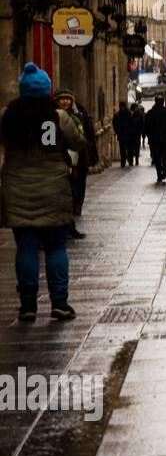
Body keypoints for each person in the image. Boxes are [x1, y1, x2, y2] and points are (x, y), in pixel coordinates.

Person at [2, 63, 85, 321]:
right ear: (46, 91)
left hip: (17, 189)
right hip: (52, 188)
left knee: (25, 247)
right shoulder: (57, 117)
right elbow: (78, 143)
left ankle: (28, 305)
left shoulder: (8, 116)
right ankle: (59, 302)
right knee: (55, 247)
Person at [53, 87, 97, 240]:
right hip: (60, 161)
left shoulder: (79, 114)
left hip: (76, 159)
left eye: (67, 98)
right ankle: (65, 226)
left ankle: (70, 223)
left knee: (75, 189)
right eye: (61, 99)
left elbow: (86, 136)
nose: (65, 101)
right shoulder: (53, 117)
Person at [144, 94, 166, 183]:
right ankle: (164, 169)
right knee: (165, 156)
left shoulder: (150, 113)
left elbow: (146, 127)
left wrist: (149, 137)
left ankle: (159, 172)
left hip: (154, 140)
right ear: (163, 102)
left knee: (156, 157)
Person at [112, 101, 133, 168]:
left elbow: (132, 124)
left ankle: (129, 160)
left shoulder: (128, 114)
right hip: (123, 135)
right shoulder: (118, 115)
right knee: (123, 149)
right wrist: (117, 131)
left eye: (122, 106)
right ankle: (124, 161)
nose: (122, 108)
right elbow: (114, 124)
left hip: (127, 134)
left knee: (128, 149)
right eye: (121, 107)